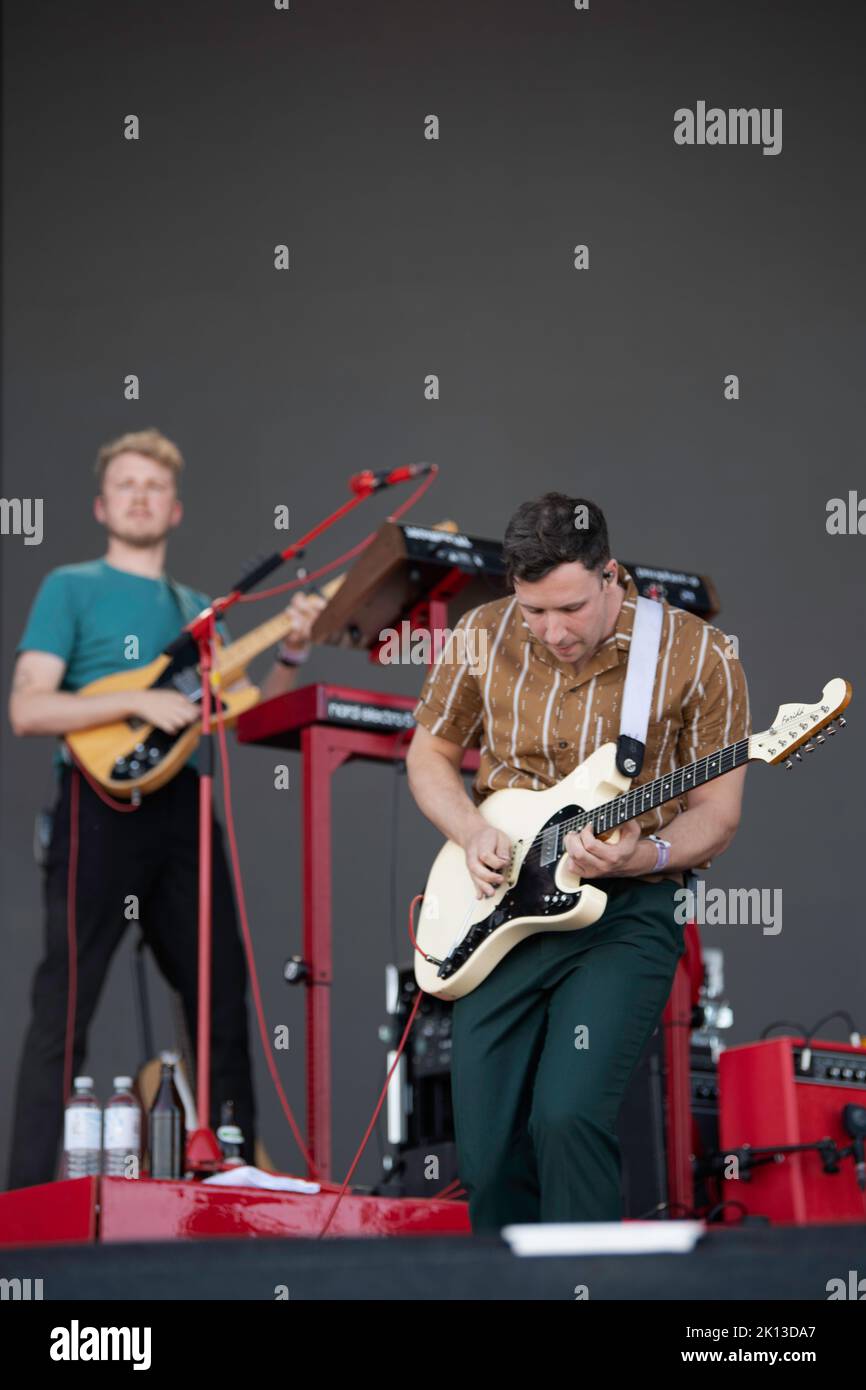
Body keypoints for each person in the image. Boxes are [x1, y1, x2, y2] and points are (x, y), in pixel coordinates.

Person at [406, 492, 750, 1230]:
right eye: (533, 611)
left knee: (565, 1121)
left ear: (611, 576)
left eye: (569, 608)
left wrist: (642, 854)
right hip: (499, 907)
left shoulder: (699, 655)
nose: (553, 631)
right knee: (488, 1156)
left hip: (623, 913)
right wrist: (468, 829)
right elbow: (429, 753)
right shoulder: (480, 633)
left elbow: (717, 816)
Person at [6, 428, 324, 1189]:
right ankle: (21, 1198)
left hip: (183, 805)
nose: (141, 495)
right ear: (101, 504)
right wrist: (142, 696)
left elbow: (244, 715)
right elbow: (27, 707)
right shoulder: (70, 586)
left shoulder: (196, 612)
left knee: (221, 992)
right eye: (127, 484)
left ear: (176, 509)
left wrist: (291, 652)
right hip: (94, 807)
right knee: (65, 1007)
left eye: (154, 485)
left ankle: (237, 1173)